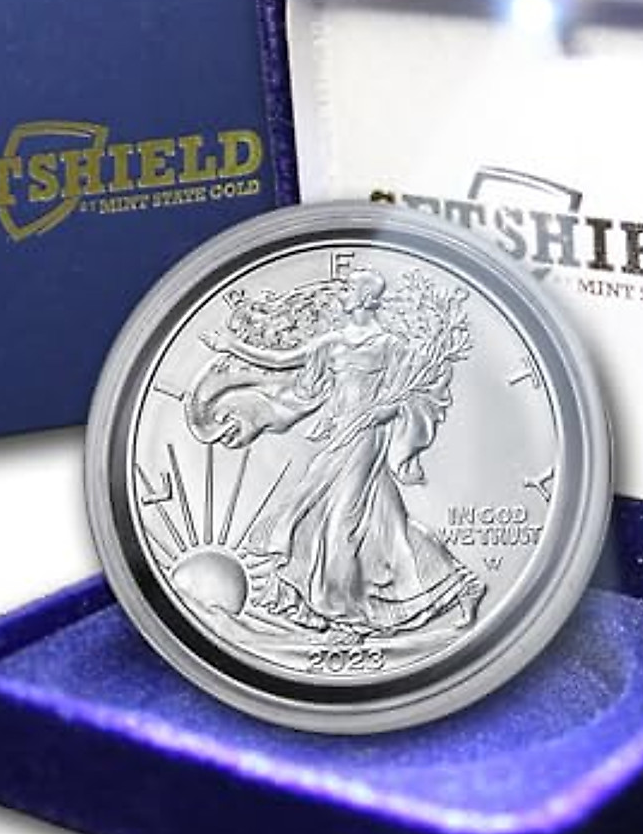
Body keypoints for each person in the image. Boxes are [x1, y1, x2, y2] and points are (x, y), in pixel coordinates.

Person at [188, 268, 482, 639]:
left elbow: (416, 394)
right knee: (378, 521)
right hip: (342, 435)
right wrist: (231, 346)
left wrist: (386, 410)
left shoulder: (391, 346)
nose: (343, 293)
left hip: (368, 437)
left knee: (341, 518)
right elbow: (280, 361)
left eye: (350, 289)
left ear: (365, 298)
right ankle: (459, 585)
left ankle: (343, 610)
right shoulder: (332, 343)